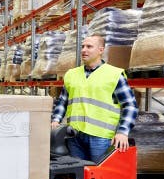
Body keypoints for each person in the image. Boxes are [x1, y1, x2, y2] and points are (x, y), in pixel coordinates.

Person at [51, 34, 138, 162]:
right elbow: (63, 101)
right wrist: (56, 120)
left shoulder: (114, 74)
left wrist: (123, 132)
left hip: (101, 138)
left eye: (89, 47)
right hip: (74, 135)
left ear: (101, 50)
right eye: (82, 46)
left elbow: (130, 105)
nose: (84, 50)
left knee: (99, 178)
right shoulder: (71, 74)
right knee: (79, 174)